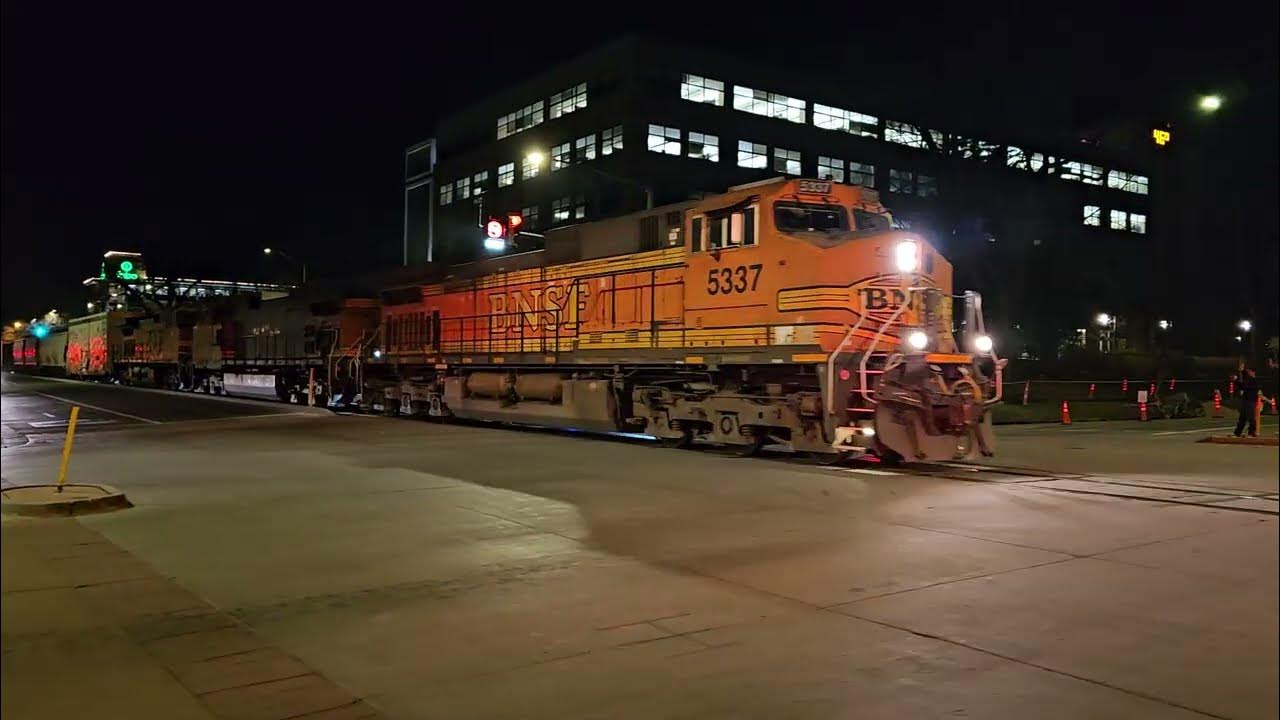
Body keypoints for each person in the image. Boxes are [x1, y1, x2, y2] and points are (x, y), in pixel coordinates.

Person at [1234, 366, 1260, 438]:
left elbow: (1245, 385)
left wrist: (1242, 371)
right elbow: (1242, 386)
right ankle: (1237, 433)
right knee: (1242, 418)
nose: (1248, 373)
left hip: (1251, 401)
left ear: (1253, 372)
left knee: (1251, 418)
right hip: (1246, 401)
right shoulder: (1249, 380)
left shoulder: (1254, 380)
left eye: (1249, 371)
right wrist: (1236, 380)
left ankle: (1251, 433)